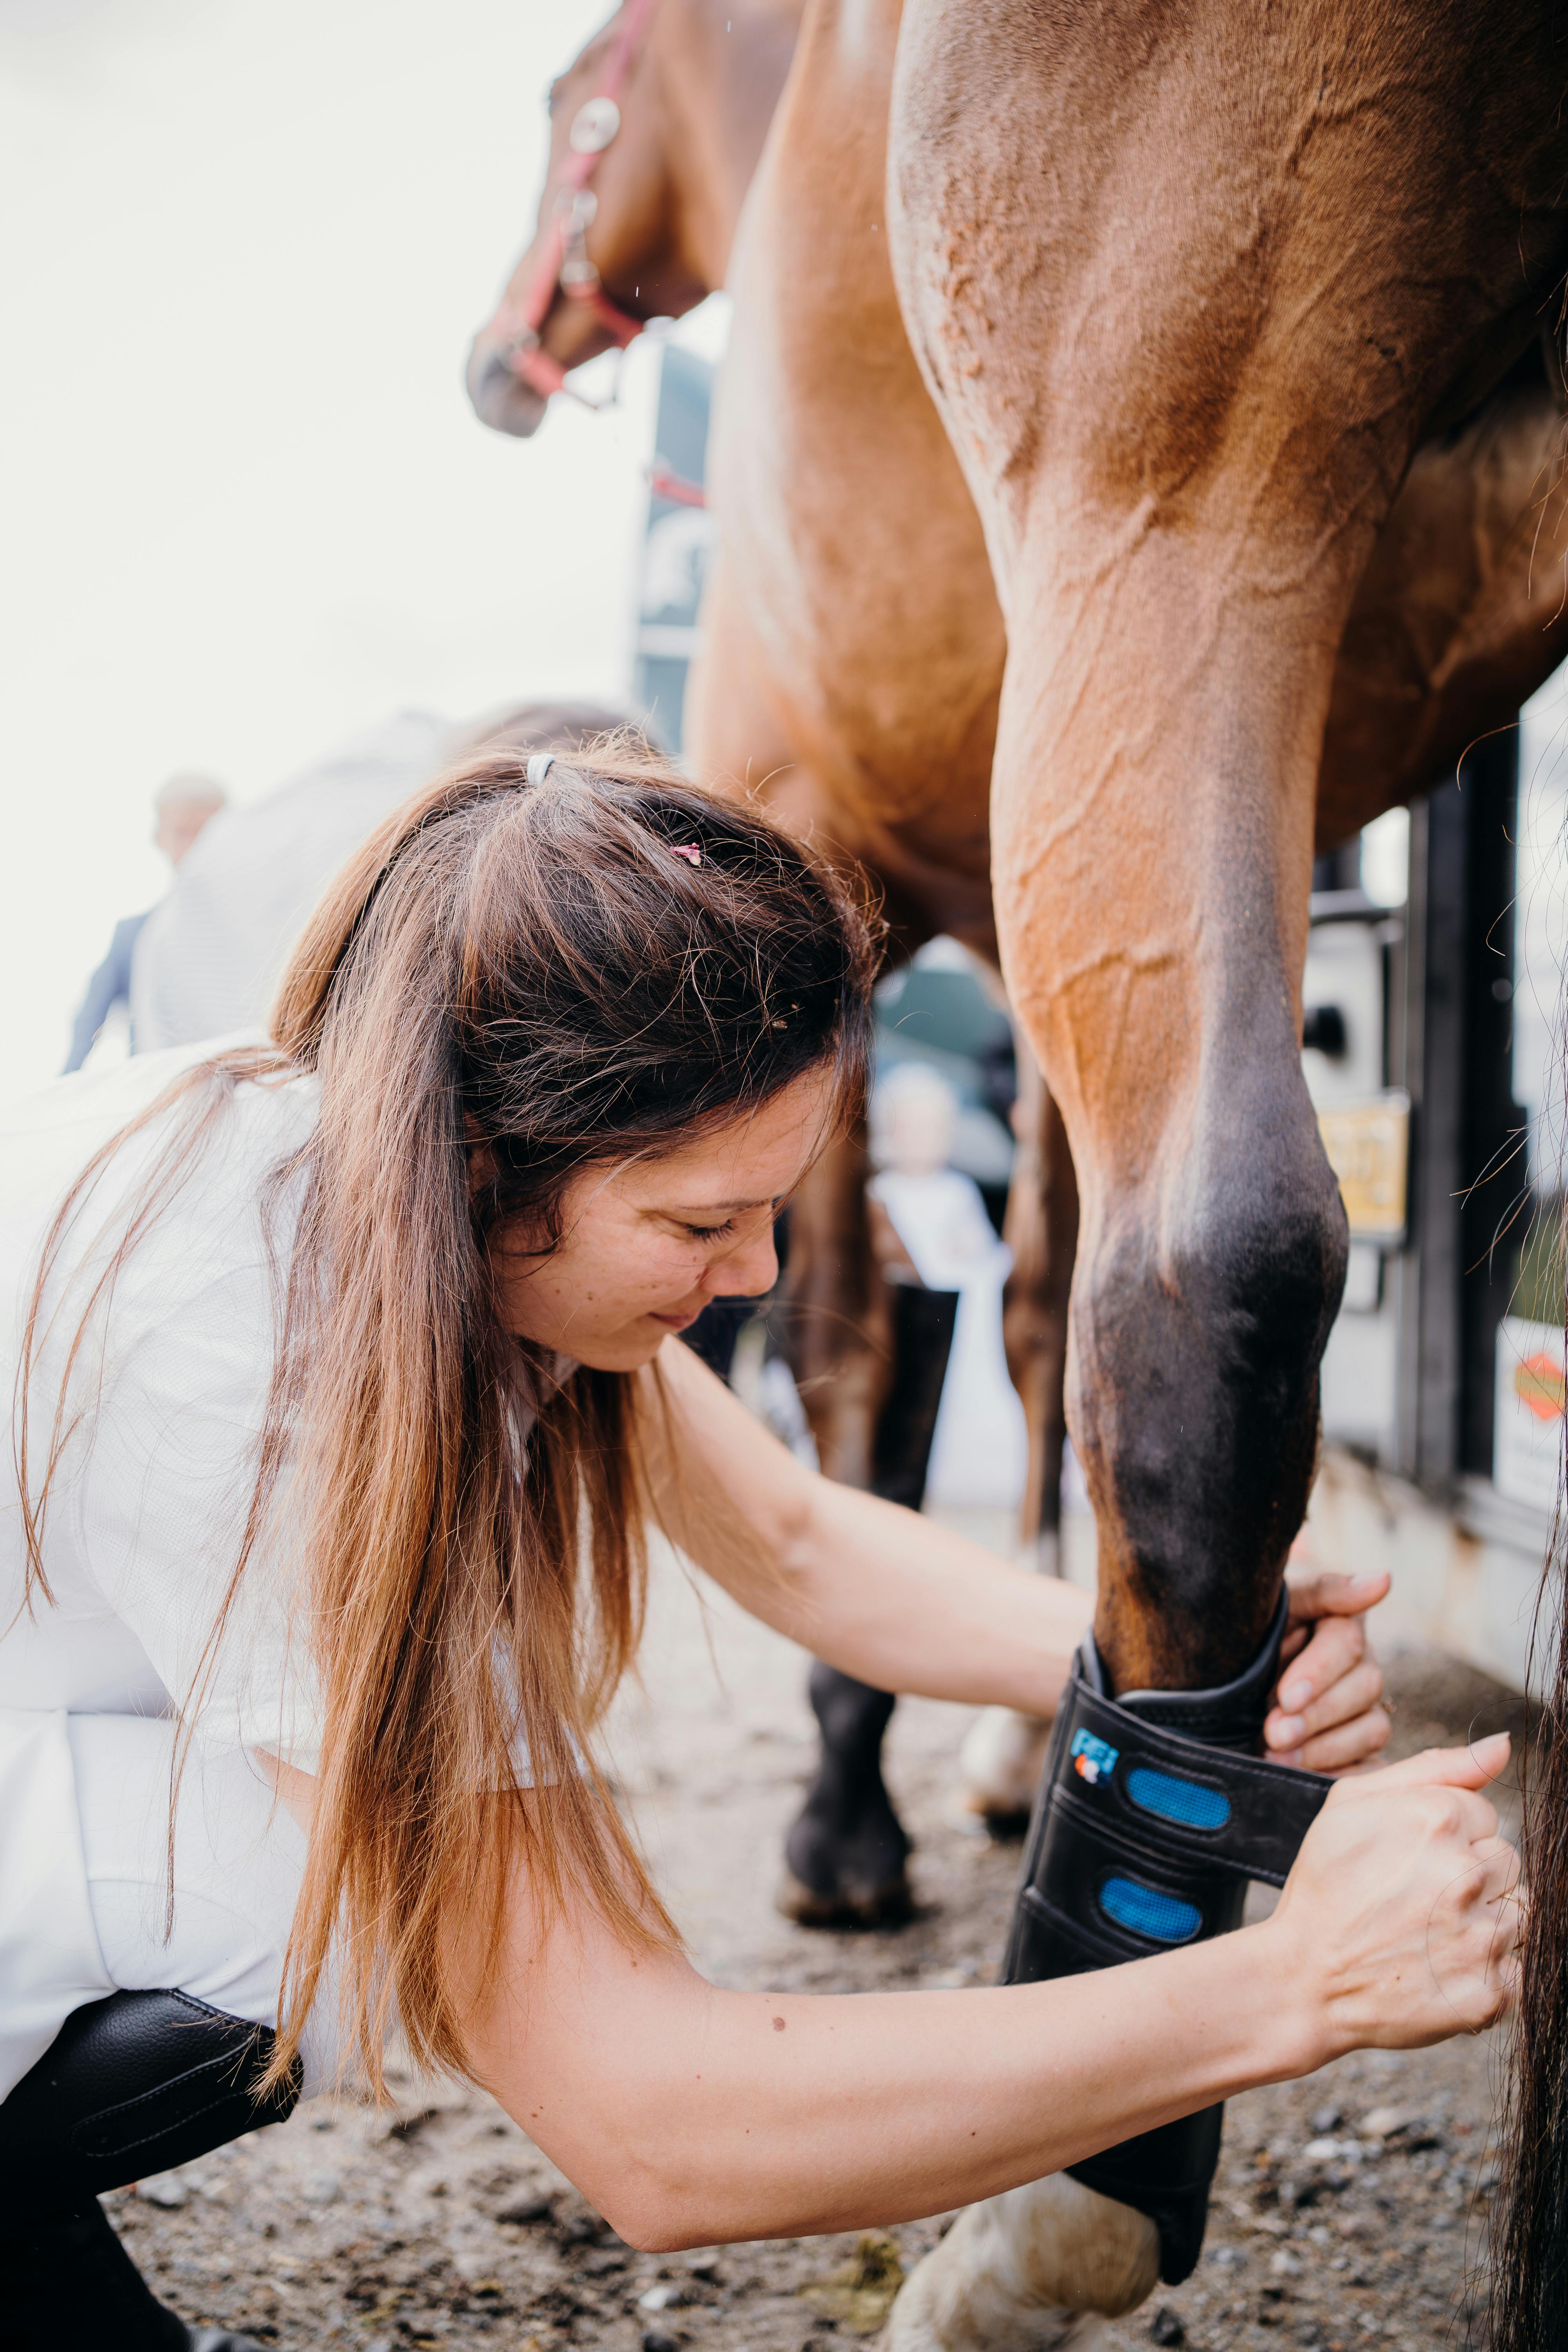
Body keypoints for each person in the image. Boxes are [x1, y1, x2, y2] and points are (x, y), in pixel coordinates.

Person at [0, 744, 1519, 2352]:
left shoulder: (393, 1150)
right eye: (697, 1223)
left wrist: (1194, 1661)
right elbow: (654, 2125)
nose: (754, 1273)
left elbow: (797, 1545)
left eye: (772, 1206)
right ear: (484, 1165)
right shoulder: (251, 1352)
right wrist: (1297, 1989)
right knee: (344, 1901)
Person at [62, 775, 228, 1072]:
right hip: (160, 1096)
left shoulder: (268, 930)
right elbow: (89, 1021)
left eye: (209, 832)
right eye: (183, 833)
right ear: (160, 838)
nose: (197, 846)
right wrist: (62, 1089)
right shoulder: (134, 936)